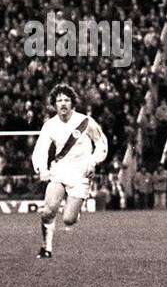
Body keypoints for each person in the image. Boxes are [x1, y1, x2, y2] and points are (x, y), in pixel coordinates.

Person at [31, 84, 109, 258]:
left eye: (66, 100)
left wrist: (93, 162)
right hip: (59, 170)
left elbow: (101, 143)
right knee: (48, 210)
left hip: (81, 174)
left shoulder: (85, 122)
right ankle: (46, 248)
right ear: (54, 104)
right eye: (59, 100)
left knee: (68, 220)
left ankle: (74, 211)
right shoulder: (49, 125)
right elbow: (40, 150)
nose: (63, 103)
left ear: (73, 103)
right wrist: (42, 169)